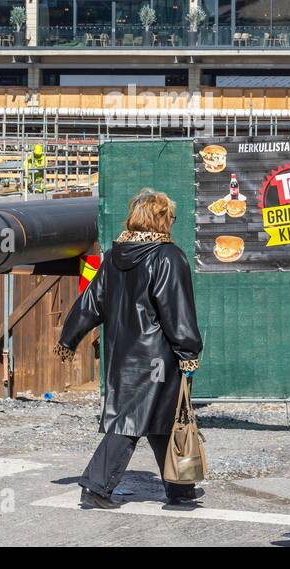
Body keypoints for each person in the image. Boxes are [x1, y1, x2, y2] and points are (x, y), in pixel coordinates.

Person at [56, 190, 203, 508]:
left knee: (163, 418)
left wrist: (70, 337)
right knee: (132, 422)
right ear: (161, 219)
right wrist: (189, 350)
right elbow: (176, 311)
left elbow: (90, 302)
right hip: (158, 357)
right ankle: (95, 486)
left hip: (124, 356)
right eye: (170, 218)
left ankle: (180, 486)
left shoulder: (114, 257)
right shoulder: (168, 257)